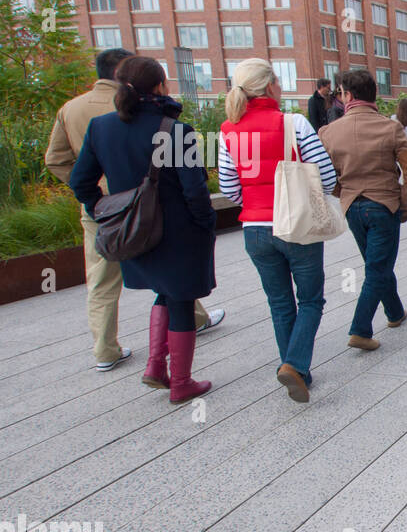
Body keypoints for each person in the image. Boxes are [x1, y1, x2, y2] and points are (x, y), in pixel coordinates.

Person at [46, 49, 223, 372]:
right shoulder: (174, 130)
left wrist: (102, 207)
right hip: (176, 229)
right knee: (178, 295)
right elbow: (195, 190)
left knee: (150, 289)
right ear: (158, 86)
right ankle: (180, 381)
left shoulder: (99, 126)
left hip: (123, 222)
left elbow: (78, 178)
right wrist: (205, 224)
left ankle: (144, 362)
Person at [218, 59, 337, 403]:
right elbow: (326, 178)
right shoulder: (294, 123)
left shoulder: (228, 129)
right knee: (311, 299)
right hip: (297, 225)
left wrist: (256, 200)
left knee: (280, 303)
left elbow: (229, 188)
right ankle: (295, 365)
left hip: (254, 230)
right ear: (270, 87)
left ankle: (297, 370)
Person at [319, 69, 407, 351]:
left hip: (352, 207)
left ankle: (395, 312)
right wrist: (405, 201)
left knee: (377, 263)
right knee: (378, 266)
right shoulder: (390, 128)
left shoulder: (329, 132)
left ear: (348, 96)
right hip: (384, 204)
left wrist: (345, 194)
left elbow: (325, 176)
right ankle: (360, 328)